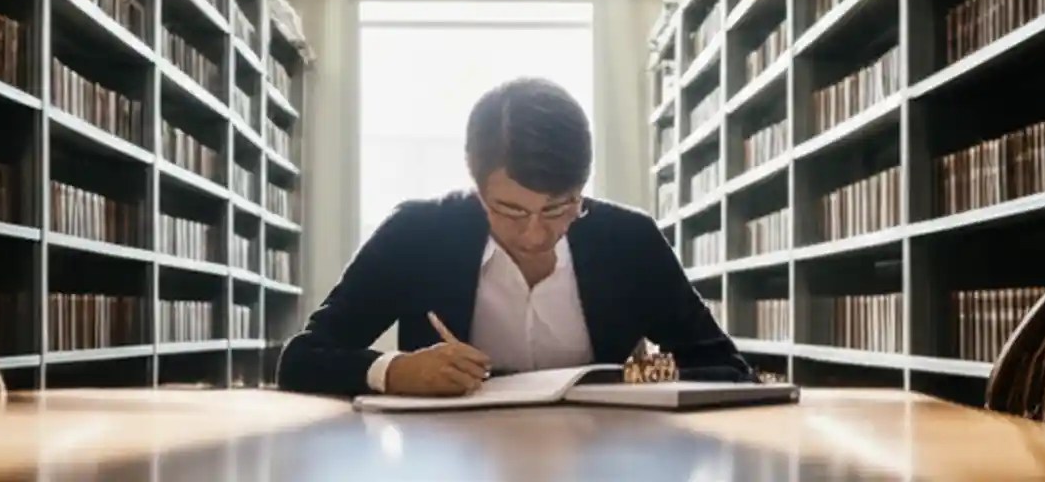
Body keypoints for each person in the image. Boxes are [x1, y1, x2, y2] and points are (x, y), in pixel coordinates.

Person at [276, 77, 754, 397]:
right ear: (477, 188)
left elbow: (726, 367)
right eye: (510, 209)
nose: (535, 233)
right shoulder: (417, 234)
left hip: (597, 458)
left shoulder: (629, 241)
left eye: (560, 207)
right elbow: (301, 360)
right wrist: (395, 371)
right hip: (451, 461)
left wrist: (626, 378)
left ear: (582, 187)